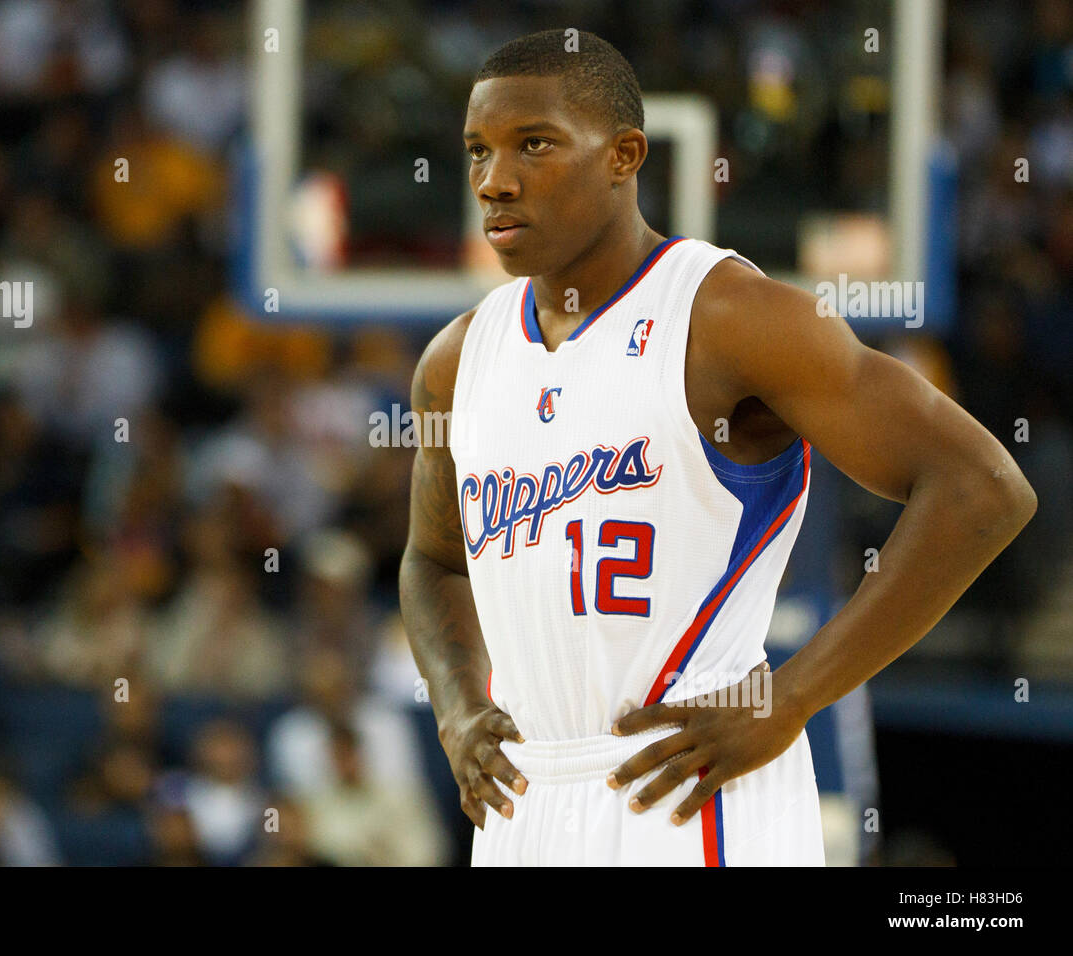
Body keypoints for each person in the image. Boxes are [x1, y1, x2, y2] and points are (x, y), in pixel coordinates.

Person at [398, 29, 1037, 866]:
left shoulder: (730, 317)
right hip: (525, 802)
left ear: (625, 155)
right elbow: (432, 560)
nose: (494, 180)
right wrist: (456, 706)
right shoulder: (457, 359)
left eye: (535, 145)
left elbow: (984, 487)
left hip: (692, 789)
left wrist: (792, 697)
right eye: (478, 150)